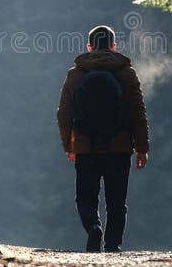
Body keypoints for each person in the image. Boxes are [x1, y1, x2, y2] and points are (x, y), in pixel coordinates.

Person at [57, 24, 149, 253]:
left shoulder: (75, 75)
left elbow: (64, 113)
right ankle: (112, 245)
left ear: (89, 47)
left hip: (86, 148)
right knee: (116, 202)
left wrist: (69, 144)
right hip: (119, 148)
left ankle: (93, 228)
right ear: (113, 46)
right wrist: (142, 148)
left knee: (85, 198)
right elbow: (138, 113)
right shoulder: (127, 74)